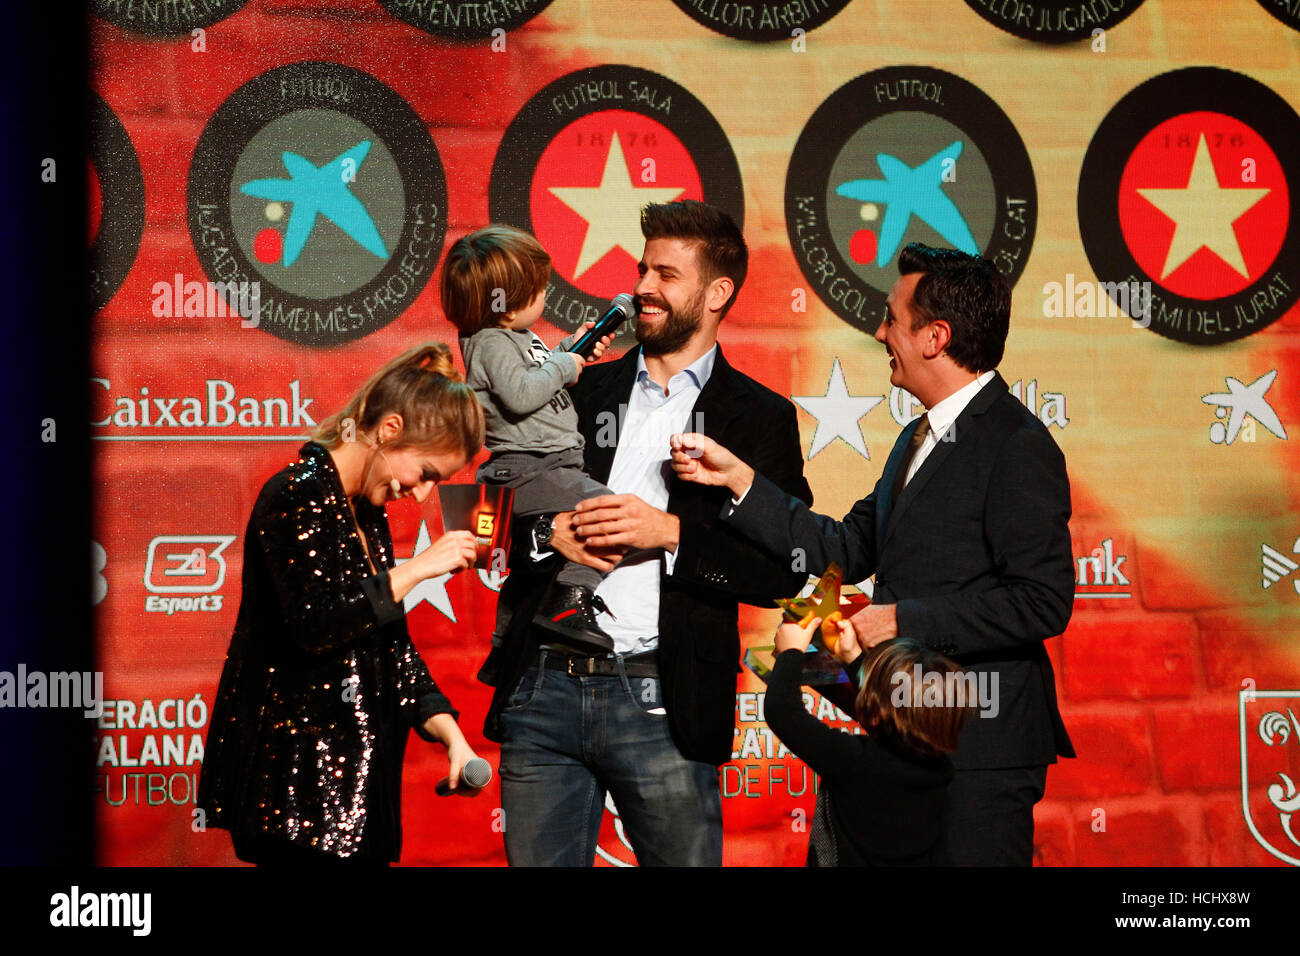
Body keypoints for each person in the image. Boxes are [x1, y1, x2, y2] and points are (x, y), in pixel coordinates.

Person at [670, 243, 1076, 866]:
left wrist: (898, 620)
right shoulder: (918, 437)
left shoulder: (1017, 444)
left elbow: (1042, 602)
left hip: (981, 749)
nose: (879, 330)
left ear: (935, 337)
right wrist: (740, 481)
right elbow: (841, 549)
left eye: (891, 317)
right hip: (910, 737)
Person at [478, 200, 813, 866]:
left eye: (667, 273)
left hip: (665, 698)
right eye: (641, 269)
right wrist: (549, 541)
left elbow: (787, 567)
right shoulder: (572, 390)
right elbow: (488, 512)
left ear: (718, 293)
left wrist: (672, 535)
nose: (642, 289)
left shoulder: (759, 417)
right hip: (543, 685)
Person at [198, 344, 487, 866]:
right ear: (389, 430)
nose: (422, 495)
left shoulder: (365, 516)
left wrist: (452, 736)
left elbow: (391, 649)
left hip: (358, 799)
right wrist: (417, 569)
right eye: (426, 472)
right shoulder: (293, 495)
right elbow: (314, 625)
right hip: (294, 798)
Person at [442, 225, 618, 652]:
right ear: (505, 306)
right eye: (538, 291)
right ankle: (570, 598)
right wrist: (562, 368)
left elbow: (529, 378)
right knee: (613, 516)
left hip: (546, 464)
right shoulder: (490, 342)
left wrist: (567, 352)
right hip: (529, 467)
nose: (544, 299)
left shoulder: (511, 338)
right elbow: (521, 396)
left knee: (546, 556)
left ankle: (508, 639)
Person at [763, 616, 975, 866]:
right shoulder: (940, 769)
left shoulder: (855, 761)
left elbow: (783, 711)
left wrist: (791, 651)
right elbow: (897, 709)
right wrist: (853, 657)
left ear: (875, 713)